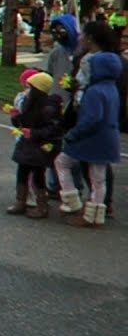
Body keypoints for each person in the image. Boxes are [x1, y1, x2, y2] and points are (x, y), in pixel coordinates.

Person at [56, 52, 122, 228]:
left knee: (62, 162)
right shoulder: (112, 88)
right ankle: (95, 215)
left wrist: (74, 134)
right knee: (98, 178)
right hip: (108, 137)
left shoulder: (94, 91)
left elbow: (92, 119)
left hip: (91, 138)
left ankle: (71, 202)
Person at [4, 70, 63, 218]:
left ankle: (42, 205)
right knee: (22, 172)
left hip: (39, 146)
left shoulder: (49, 108)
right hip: (27, 144)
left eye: (30, 88)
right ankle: (21, 201)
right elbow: (22, 123)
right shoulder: (28, 103)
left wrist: (34, 133)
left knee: (38, 175)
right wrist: (16, 117)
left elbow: (52, 129)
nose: (27, 91)